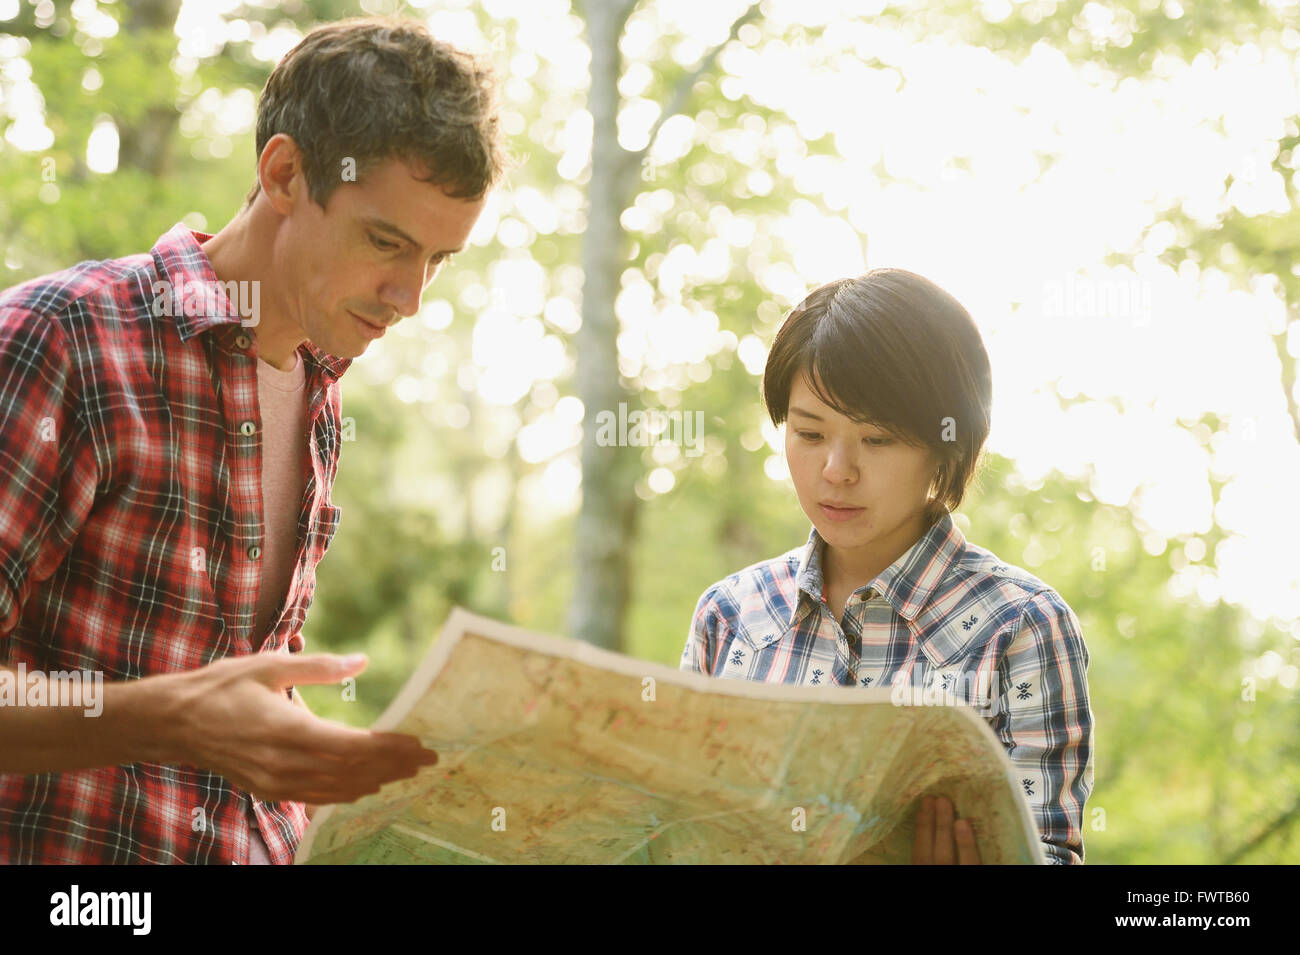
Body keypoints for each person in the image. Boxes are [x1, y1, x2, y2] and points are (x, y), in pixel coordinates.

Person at [0, 16, 505, 863]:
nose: (410, 296)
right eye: (387, 242)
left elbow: (239, 690)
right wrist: (172, 718)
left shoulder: (319, 393)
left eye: (438, 260)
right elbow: (194, 715)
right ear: (283, 173)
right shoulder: (65, 339)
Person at [680, 270, 1095, 865]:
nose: (837, 470)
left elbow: (1051, 851)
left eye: (877, 440)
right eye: (809, 433)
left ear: (946, 443)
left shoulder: (1022, 627)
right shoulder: (730, 616)